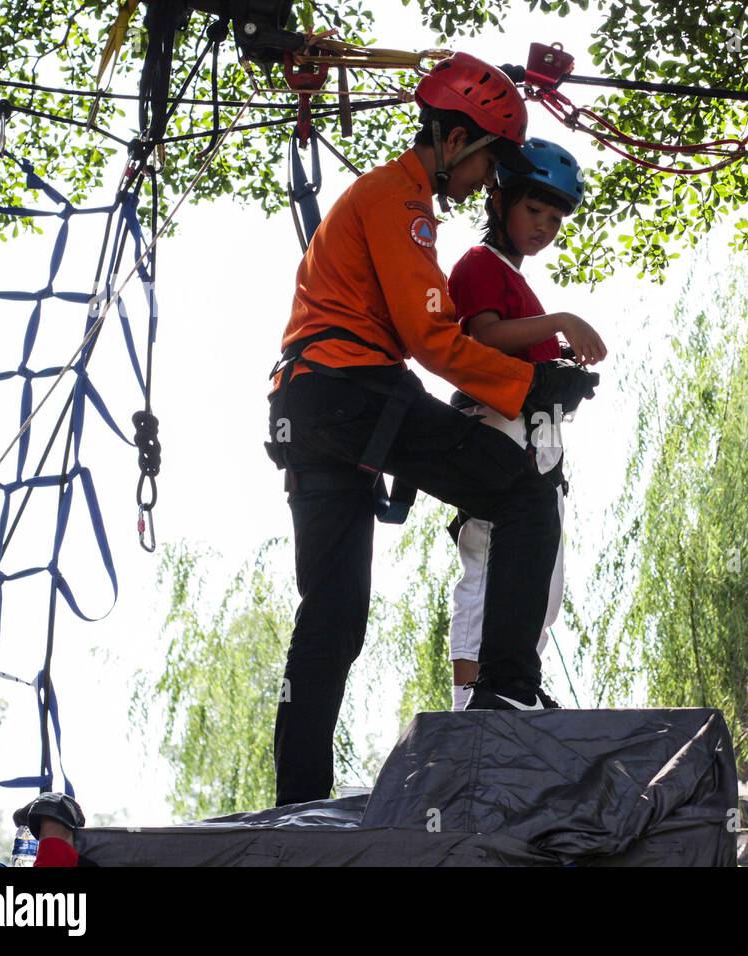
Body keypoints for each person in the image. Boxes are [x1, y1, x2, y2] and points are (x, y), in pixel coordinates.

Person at [264, 53, 599, 807]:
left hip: (308, 408)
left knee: (334, 615)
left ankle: (298, 803)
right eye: (487, 164)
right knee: (521, 497)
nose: (485, 182)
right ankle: (507, 692)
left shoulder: (392, 201)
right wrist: (528, 382)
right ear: (453, 141)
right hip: (351, 392)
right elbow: (431, 338)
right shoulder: (400, 202)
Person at [445, 137, 607, 711]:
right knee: (490, 568)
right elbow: (482, 336)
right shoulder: (479, 265)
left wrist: (558, 368)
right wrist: (560, 321)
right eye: (534, 210)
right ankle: (472, 702)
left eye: (555, 218)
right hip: (497, 433)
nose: (544, 226)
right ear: (499, 200)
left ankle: (516, 691)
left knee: (541, 585)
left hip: (539, 443)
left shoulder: (516, 279)